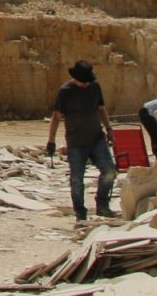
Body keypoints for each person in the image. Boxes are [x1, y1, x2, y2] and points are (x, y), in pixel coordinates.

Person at [44, 61, 115, 221]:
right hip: (76, 143)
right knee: (77, 179)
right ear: (75, 78)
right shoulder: (65, 91)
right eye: (83, 81)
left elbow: (101, 109)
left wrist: (109, 129)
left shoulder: (95, 87)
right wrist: (51, 140)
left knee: (110, 171)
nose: (86, 84)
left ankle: (102, 204)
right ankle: (80, 213)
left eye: (87, 81)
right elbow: (56, 117)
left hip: (97, 139)